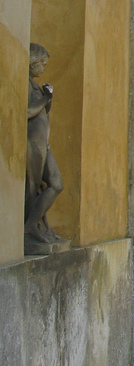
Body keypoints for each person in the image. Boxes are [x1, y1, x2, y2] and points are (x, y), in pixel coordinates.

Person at [25, 43, 65, 249]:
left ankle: (35, 225)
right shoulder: (24, 83)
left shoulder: (34, 86)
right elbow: (28, 112)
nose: (43, 68)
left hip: (43, 143)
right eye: (41, 64)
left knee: (55, 184)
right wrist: (45, 98)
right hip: (32, 141)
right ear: (32, 62)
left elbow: (42, 114)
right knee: (33, 187)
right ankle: (31, 228)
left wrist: (46, 100)